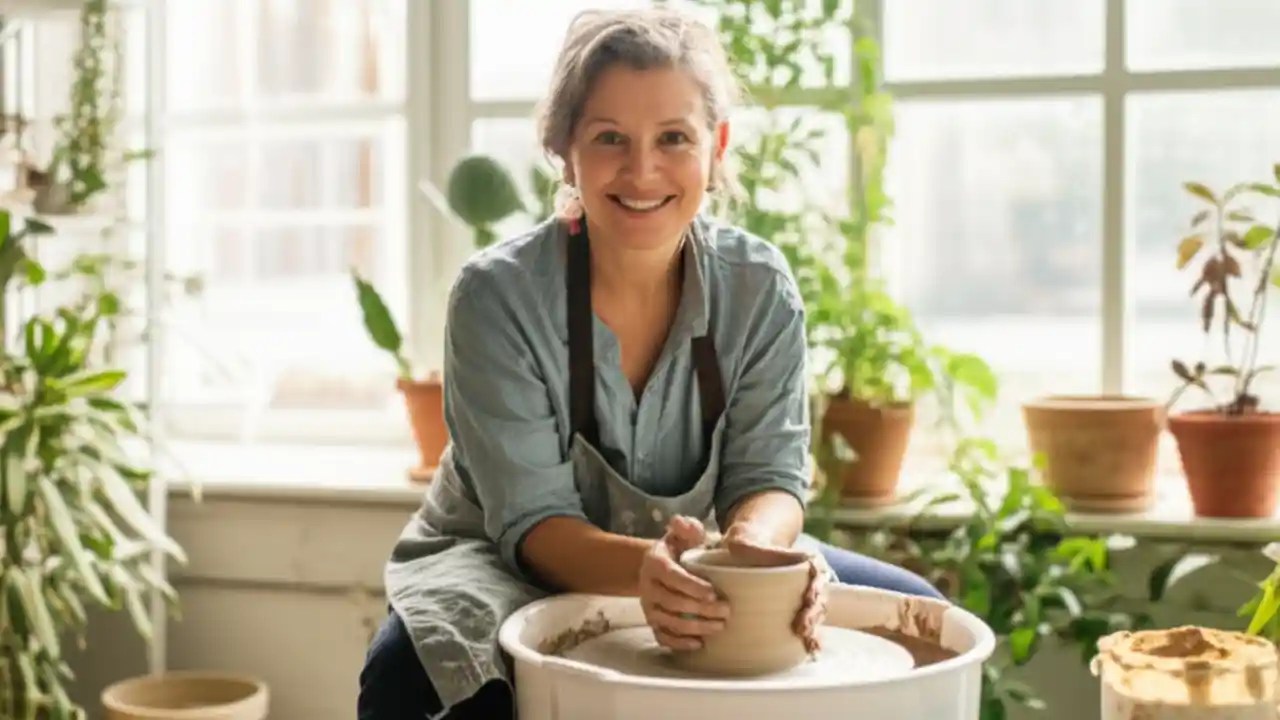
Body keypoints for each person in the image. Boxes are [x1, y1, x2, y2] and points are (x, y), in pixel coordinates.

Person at [357, 7, 943, 719]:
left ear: (716, 145)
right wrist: (654, 572)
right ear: (563, 148)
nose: (642, 171)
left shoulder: (758, 288)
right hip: (504, 561)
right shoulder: (497, 297)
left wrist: (753, 556)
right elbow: (535, 523)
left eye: (673, 138)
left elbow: (768, 477)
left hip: (704, 562)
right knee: (408, 675)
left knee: (920, 618)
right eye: (609, 138)